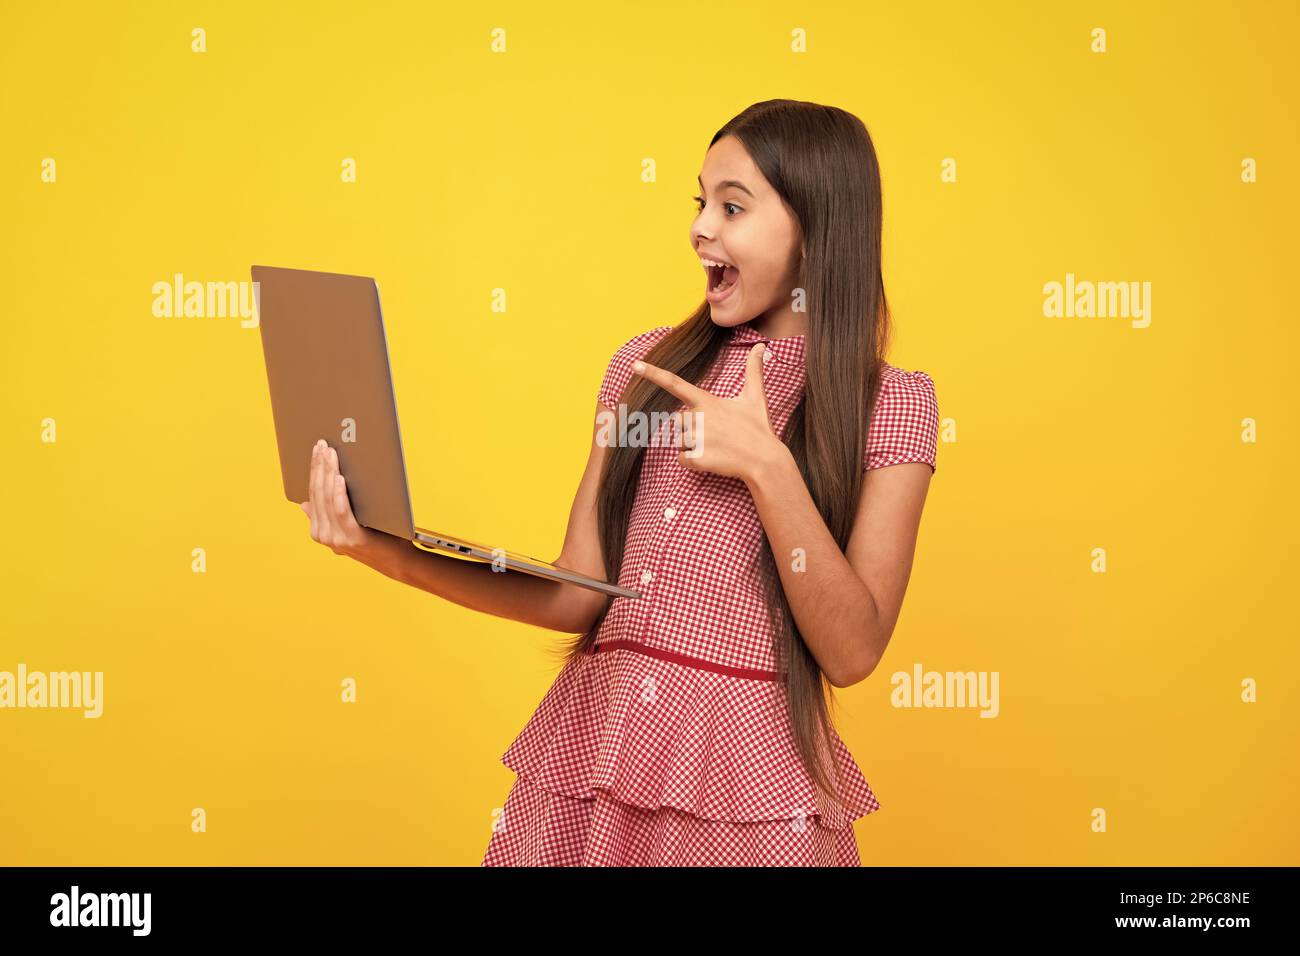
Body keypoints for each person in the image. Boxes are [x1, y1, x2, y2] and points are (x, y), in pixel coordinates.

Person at [300, 99, 939, 866]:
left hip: (746, 793)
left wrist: (769, 467)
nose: (701, 227)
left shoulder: (892, 403)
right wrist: (383, 550)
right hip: (595, 762)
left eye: (732, 207)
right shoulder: (644, 371)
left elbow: (854, 650)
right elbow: (578, 594)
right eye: (700, 202)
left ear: (817, 230)